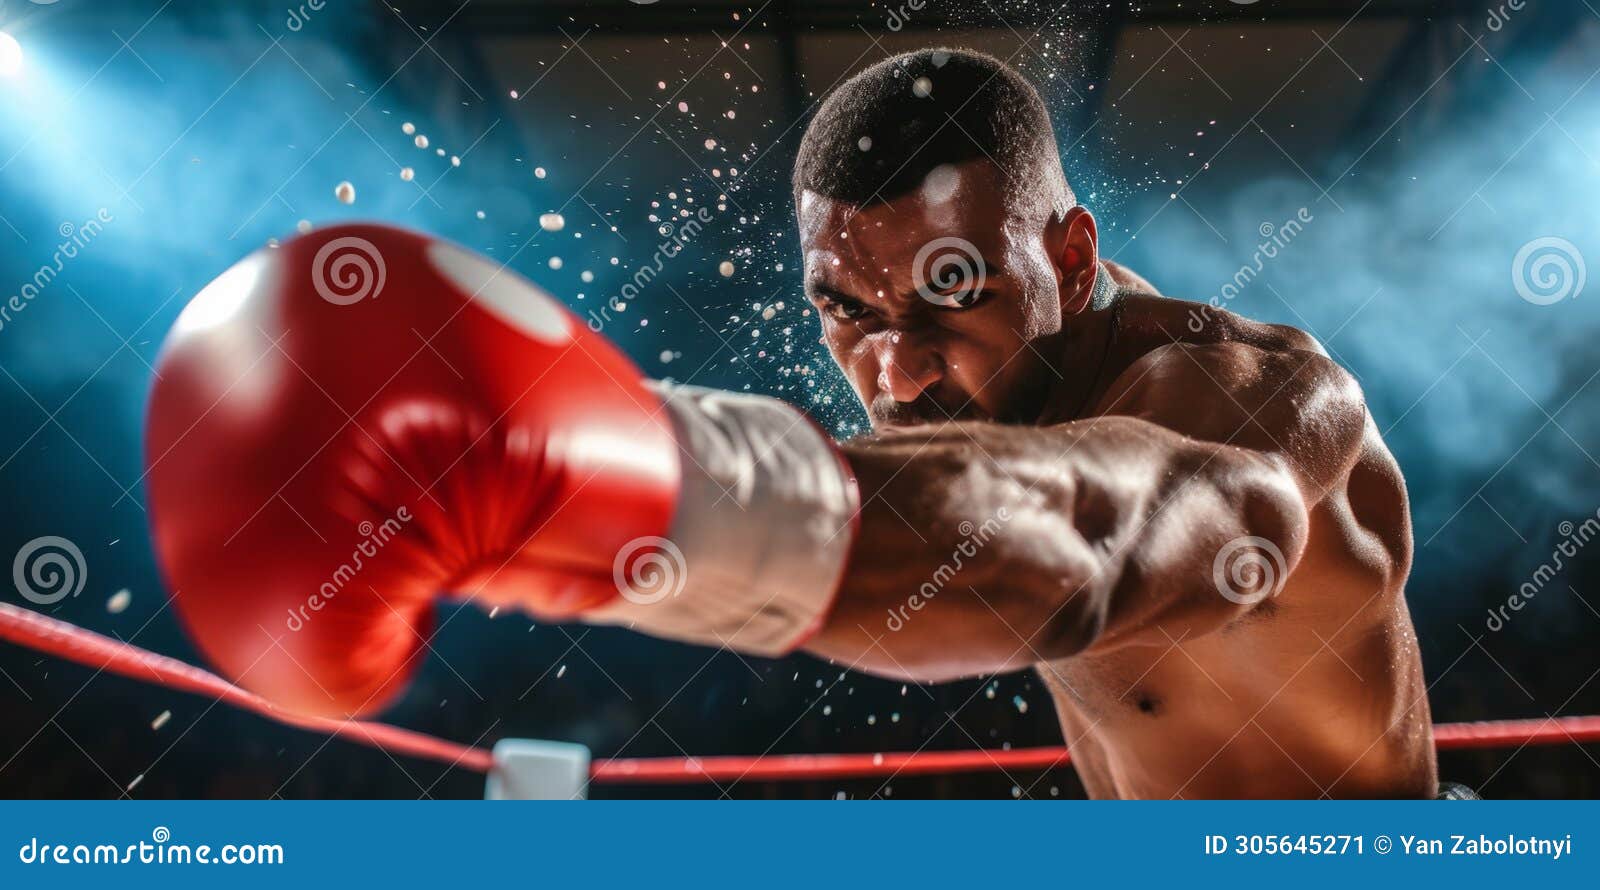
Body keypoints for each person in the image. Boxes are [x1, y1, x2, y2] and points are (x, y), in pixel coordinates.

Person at [143, 49, 1435, 800]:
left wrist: (633, 479)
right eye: (841, 310)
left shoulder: (1256, 399)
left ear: (1073, 250)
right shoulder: (992, 400)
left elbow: (1100, 533)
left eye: (951, 297)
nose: (895, 369)